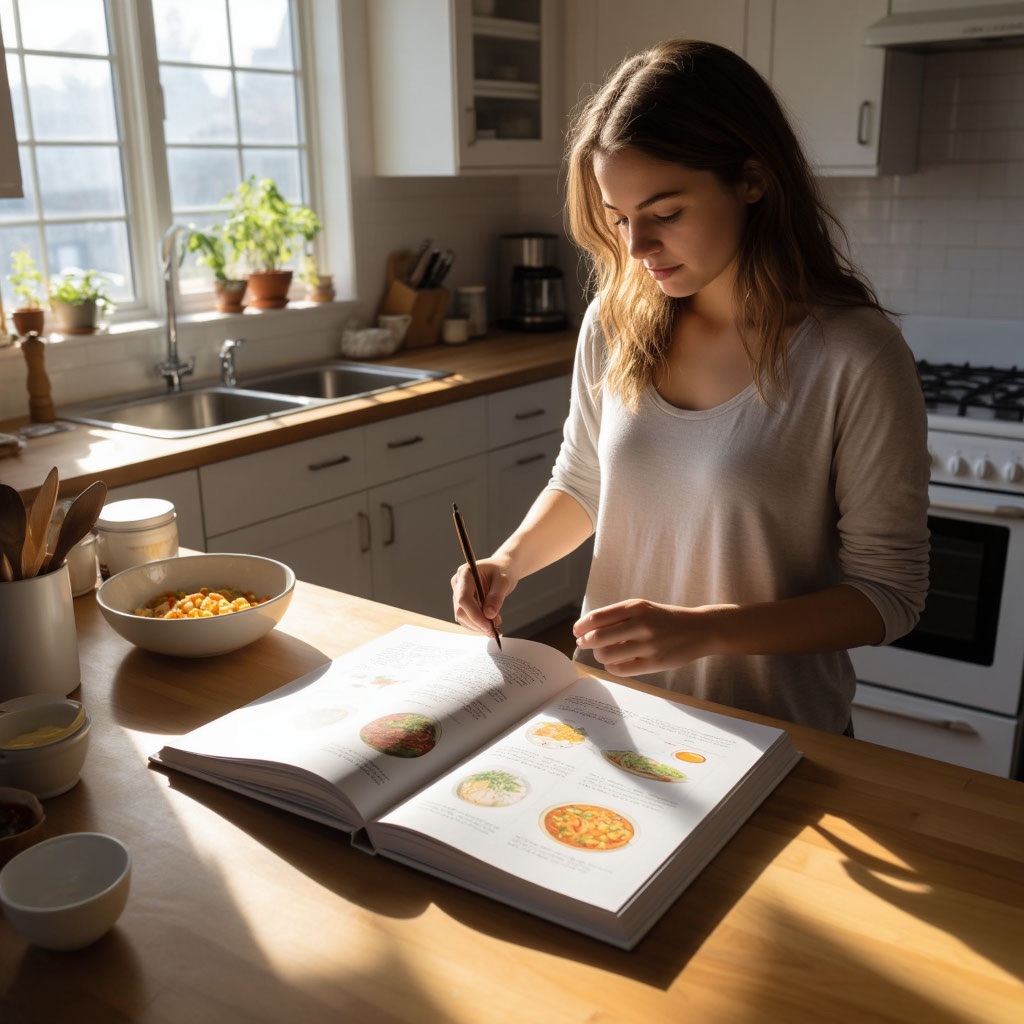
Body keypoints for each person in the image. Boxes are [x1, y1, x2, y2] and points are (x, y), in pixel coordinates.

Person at [451, 38, 930, 734]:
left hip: (779, 737)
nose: (637, 248)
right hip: (619, 719)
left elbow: (889, 596)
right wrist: (507, 561)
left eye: (666, 213)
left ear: (753, 181)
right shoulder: (614, 322)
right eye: (618, 219)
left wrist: (707, 632)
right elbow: (585, 481)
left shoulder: (854, 356)